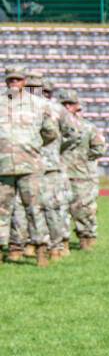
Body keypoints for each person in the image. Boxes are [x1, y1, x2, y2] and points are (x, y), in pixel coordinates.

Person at [9, 71, 75, 261]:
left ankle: (55, 246)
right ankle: (27, 244)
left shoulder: (53, 109)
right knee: (24, 207)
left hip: (48, 166)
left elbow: (72, 132)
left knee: (49, 207)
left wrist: (57, 149)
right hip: (29, 165)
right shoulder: (19, 107)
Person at [0, 65, 57, 266]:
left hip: (30, 165)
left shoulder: (38, 105)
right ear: (6, 81)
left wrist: (32, 145)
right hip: (3, 167)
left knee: (34, 209)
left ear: (24, 81)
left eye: (17, 79)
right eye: (10, 80)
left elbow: (51, 133)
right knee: (1, 210)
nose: (13, 83)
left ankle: (41, 248)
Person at [59, 90, 106, 249]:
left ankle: (87, 240)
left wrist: (84, 157)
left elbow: (100, 148)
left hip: (83, 176)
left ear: (77, 106)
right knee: (60, 210)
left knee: (84, 210)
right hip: (60, 175)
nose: (67, 107)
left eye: (70, 104)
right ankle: (61, 242)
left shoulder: (88, 127)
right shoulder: (56, 127)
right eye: (63, 104)